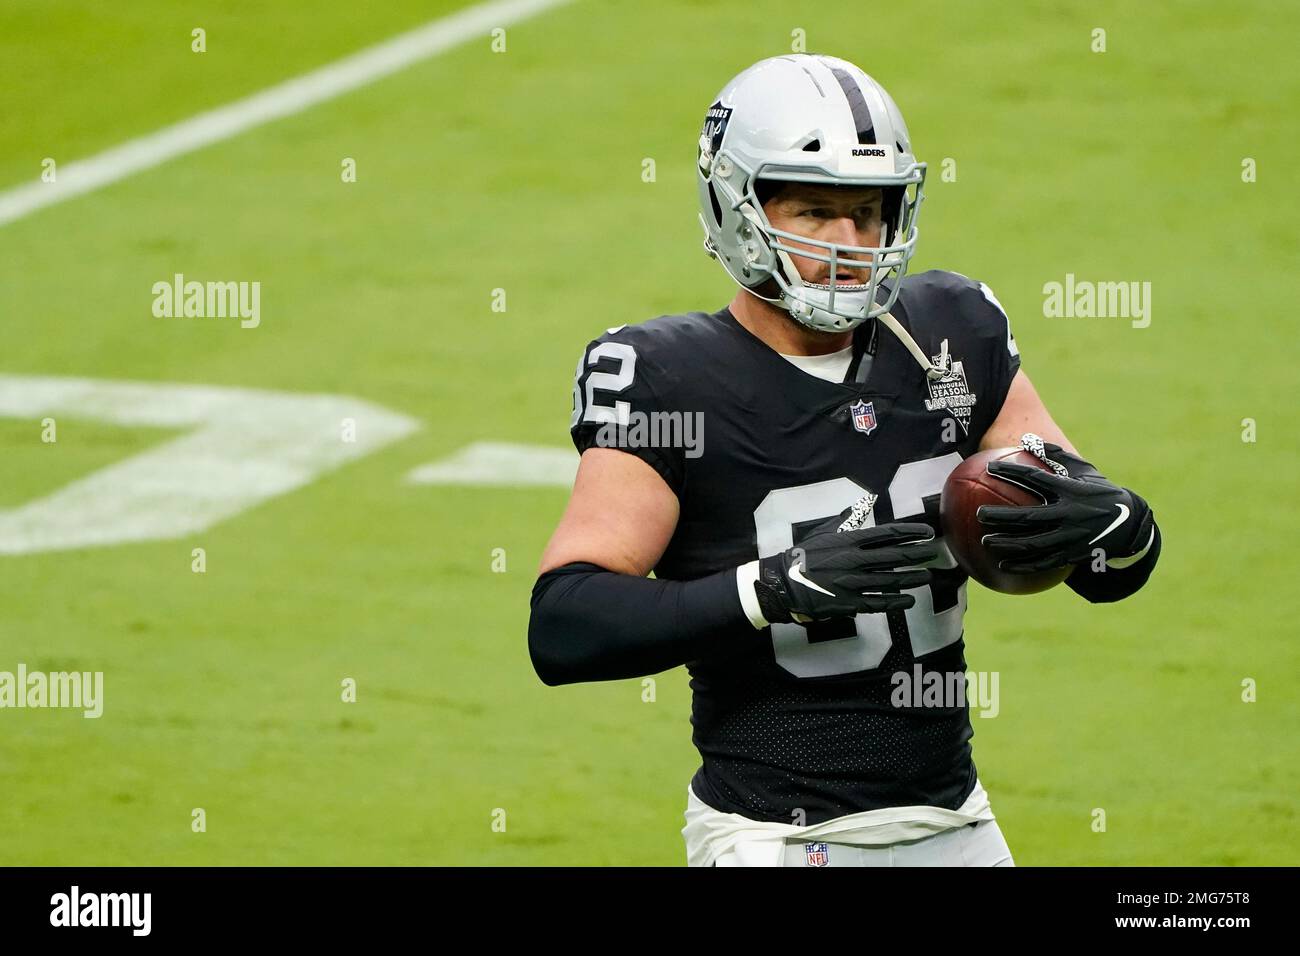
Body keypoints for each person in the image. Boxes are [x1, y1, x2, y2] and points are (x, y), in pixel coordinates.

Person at [527, 54, 1160, 867]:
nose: (850, 243)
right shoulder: (666, 378)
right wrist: (769, 589)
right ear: (738, 205)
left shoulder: (949, 334)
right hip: (777, 836)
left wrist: (1124, 525)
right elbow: (565, 626)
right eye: (815, 211)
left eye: (868, 212)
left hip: (957, 823)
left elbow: (1099, 565)